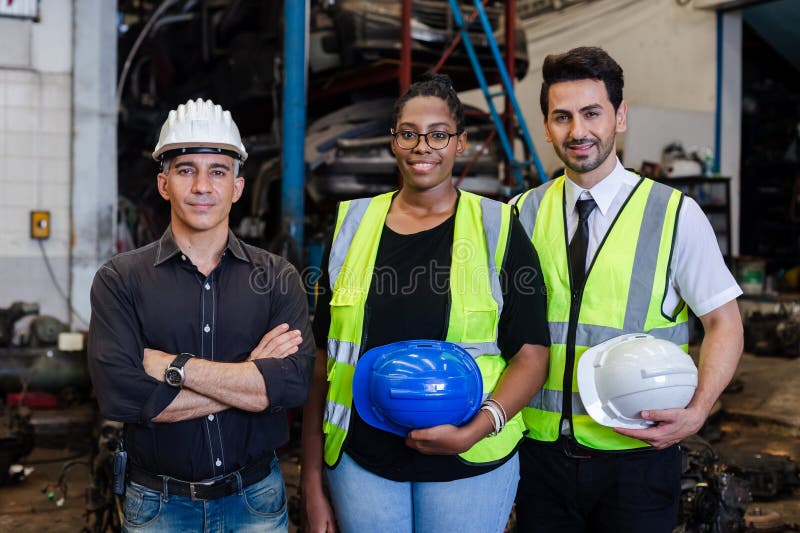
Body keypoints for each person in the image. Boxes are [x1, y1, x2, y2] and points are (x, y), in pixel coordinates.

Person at [300, 74, 551, 533]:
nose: (423, 147)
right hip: (362, 461)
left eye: (438, 134)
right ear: (394, 141)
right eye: (409, 133)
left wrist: (476, 429)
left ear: (459, 142)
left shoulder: (498, 227)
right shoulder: (352, 225)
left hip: (469, 463)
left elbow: (532, 355)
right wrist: (312, 480)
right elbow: (324, 360)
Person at [512, 46, 744, 532]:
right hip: (537, 458)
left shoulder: (675, 214)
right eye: (562, 117)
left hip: (638, 457)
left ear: (620, 116)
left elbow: (723, 322)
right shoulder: (520, 215)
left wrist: (698, 410)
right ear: (547, 126)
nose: (578, 131)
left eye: (592, 113)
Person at [87, 98, 315, 532]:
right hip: (159, 507)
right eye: (186, 169)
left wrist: (174, 368)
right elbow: (123, 396)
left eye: (217, 171)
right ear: (163, 183)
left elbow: (290, 385)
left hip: (255, 502)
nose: (202, 187)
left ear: (238, 187)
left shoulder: (277, 277)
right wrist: (250, 378)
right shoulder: (120, 280)